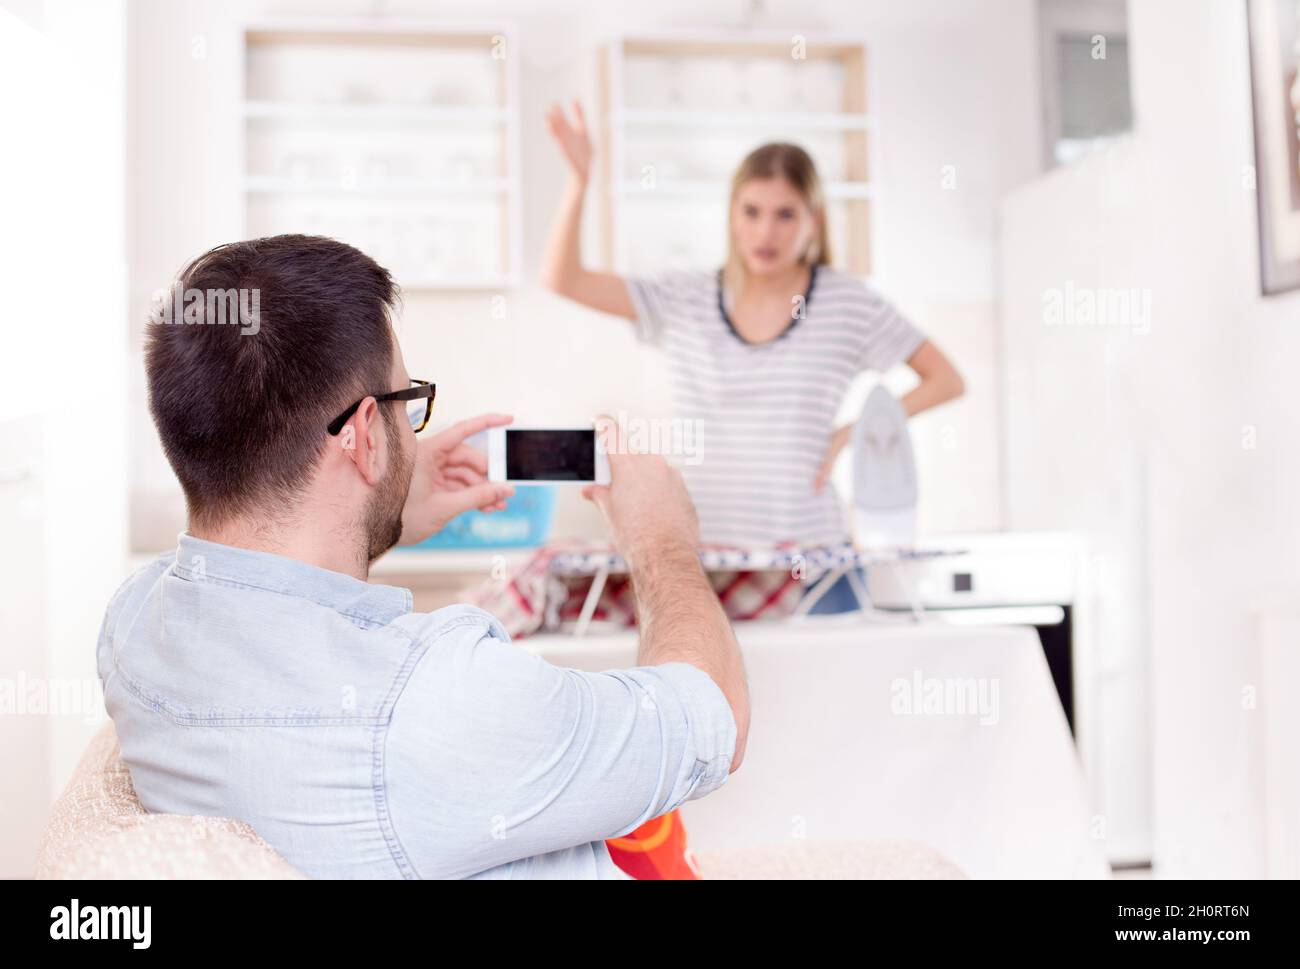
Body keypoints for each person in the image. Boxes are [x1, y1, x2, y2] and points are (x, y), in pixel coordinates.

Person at [99, 234, 748, 879]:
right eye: (404, 405)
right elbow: (716, 716)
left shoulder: (133, 627)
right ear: (359, 436)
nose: (413, 429)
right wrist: (661, 537)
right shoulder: (440, 699)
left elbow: (269, 589)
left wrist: (384, 501)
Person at [542, 103, 965, 608]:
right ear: (733, 214)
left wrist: (854, 432)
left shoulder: (847, 302)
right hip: (710, 561)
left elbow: (946, 379)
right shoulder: (686, 298)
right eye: (752, 212)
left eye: (785, 215)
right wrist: (578, 180)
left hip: (817, 566)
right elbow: (562, 279)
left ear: (812, 220)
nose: (766, 233)